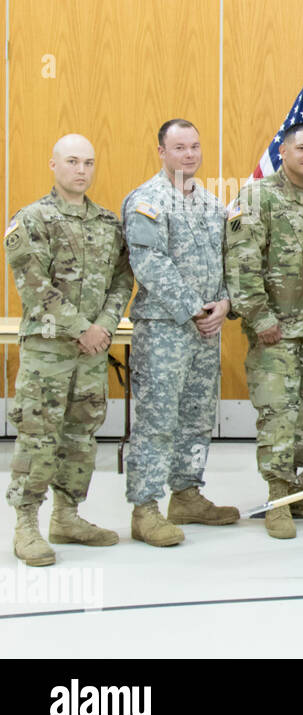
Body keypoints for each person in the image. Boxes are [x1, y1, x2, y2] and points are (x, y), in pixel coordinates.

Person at [5, 134, 134, 566]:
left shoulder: (108, 223)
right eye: (73, 161)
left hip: (93, 352)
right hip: (49, 352)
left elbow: (122, 280)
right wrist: (82, 328)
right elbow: (35, 286)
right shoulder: (31, 219)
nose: (82, 170)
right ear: (53, 165)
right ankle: (26, 525)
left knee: (81, 436)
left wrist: (105, 325)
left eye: (89, 162)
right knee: (39, 436)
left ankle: (67, 516)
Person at [122, 119, 238, 547]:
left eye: (195, 146)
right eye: (179, 147)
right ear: (161, 152)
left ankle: (186, 493)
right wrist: (194, 309)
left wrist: (224, 303)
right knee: (157, 419)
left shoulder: (210, 203)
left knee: (195, 415)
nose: (189, 154)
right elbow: (150, 263)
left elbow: (226, 261)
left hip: (207, 329)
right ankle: (145, 507)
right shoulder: (147, 201)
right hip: (166, 329)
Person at [225, 122, 303, 538]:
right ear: (284, 152)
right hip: (276, 331)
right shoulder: (258, 197)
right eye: (301, 149)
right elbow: (241, 264)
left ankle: (299, 491)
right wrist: (260, 319)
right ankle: (277, 498)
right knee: (279, 414)